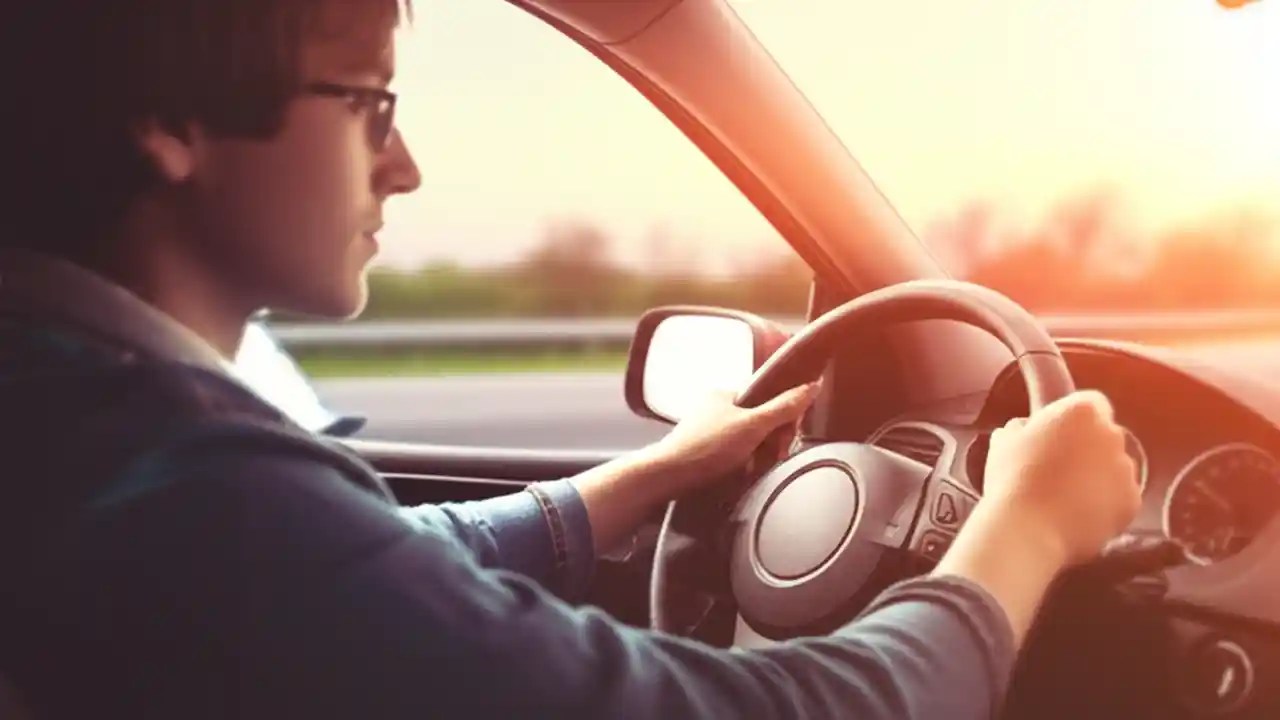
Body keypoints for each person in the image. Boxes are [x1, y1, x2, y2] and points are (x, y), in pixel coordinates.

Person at [0, 1, 1141, 718]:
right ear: (173, 121)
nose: (404, 167)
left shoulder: (78, 428)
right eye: (369, 105)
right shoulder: (185, 489)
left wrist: (642, 480)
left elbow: (376, 564)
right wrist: (1027, 525)